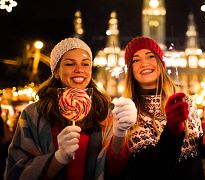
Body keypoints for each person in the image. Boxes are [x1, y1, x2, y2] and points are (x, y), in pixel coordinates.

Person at [5, 37, 137, 179]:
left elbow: (115, 169)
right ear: (56, 71)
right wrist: (58, 158)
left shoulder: (107, 112)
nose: (79, 70)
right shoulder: (33, 115)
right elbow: (15, 173)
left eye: (86, 64)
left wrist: (120, 133)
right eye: (69, 64)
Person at [121, 36, 205, 180]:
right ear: (130, 71)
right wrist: (172, 132)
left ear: (161, 64)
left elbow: (194, 154)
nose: (144, 63)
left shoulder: (186, 101)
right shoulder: (129, 112)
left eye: (150, 56)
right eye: (136, 60)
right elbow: (151, 169)